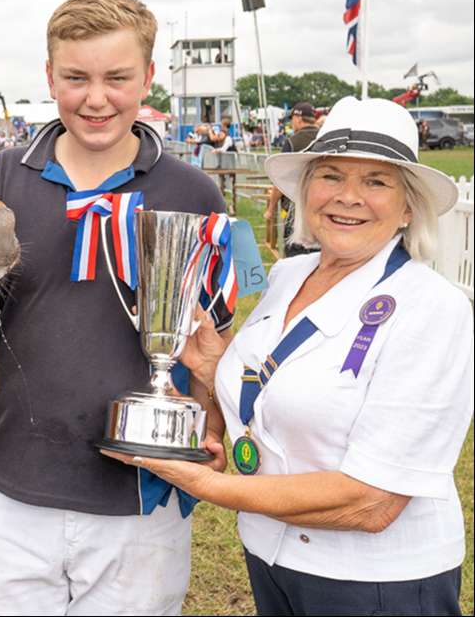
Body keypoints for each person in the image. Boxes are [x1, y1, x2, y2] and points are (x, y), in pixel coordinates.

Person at [104, 96, 473, 616]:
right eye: (330, 176)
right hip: (271, 557)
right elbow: (271, 394)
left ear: (408, 206)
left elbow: (373, 502)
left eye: (376, 181)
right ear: (306, 190)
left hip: (375, 583)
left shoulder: (434, 309)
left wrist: (210, 486)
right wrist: (213, 369)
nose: (348, 198)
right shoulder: (288, 277)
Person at [0, 0, 232, 616]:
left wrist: (208, 420)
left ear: (148, 77)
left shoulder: (193, 193)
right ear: (50, 76)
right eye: (75, 77)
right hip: (9, 489)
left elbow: (216, 340)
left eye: (117, 78)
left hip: (139, 500)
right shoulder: (1, 177)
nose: (96, 98)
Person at [264, 102, 319, 256]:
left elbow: (279, 182)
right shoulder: (325, 137)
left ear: (298, 118)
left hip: (296, 209)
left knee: (295, 257)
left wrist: (271, 208)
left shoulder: (292, 142)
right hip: (322, 208)